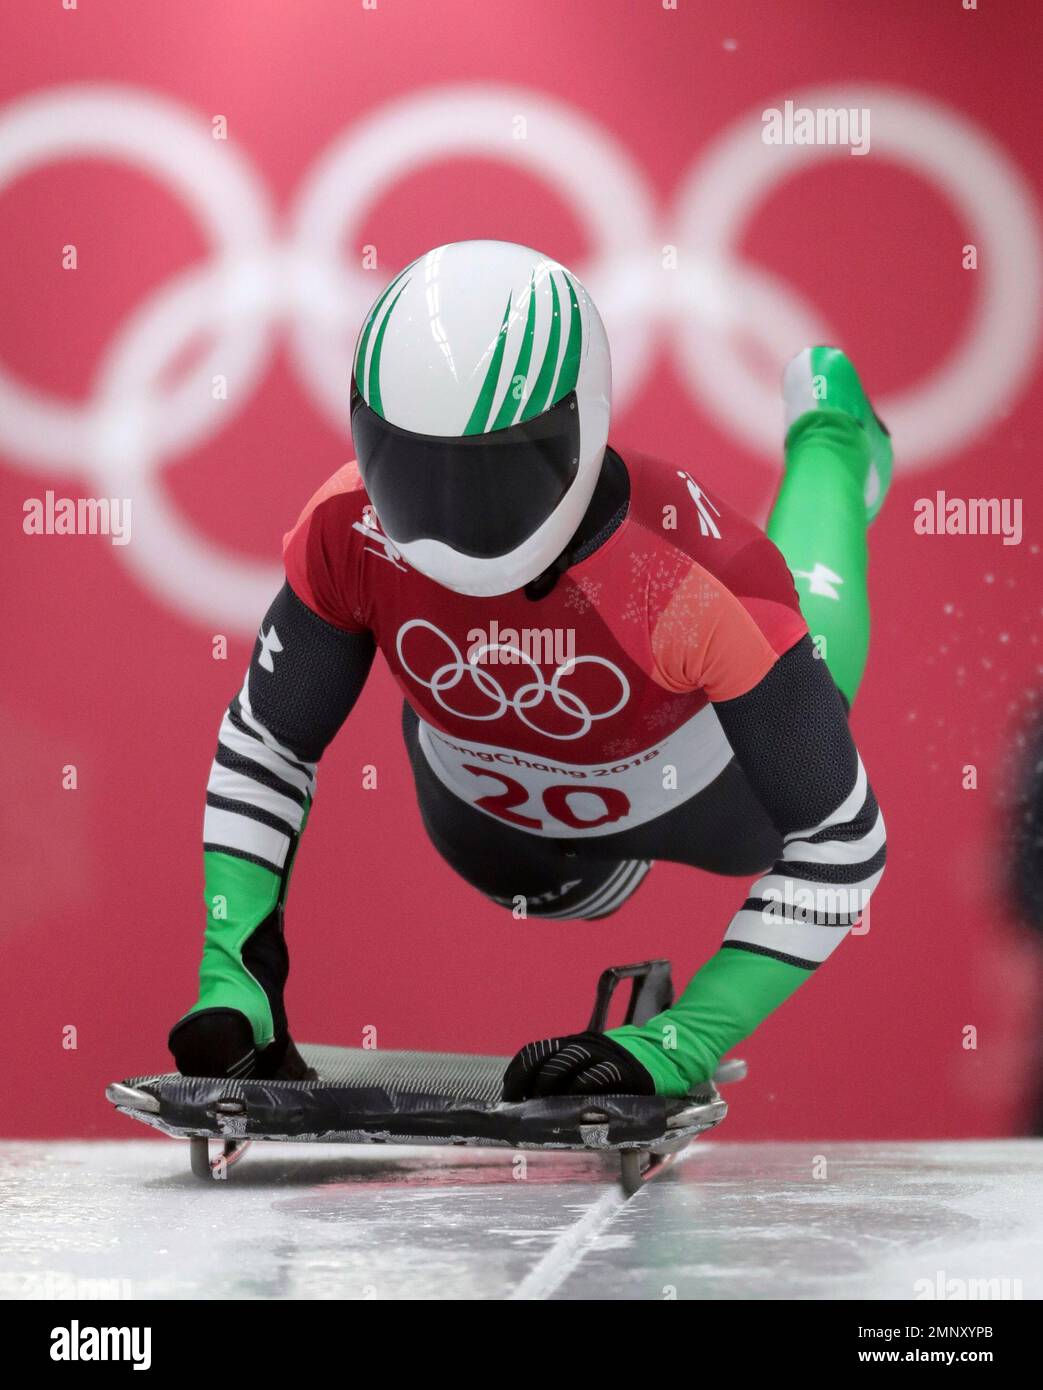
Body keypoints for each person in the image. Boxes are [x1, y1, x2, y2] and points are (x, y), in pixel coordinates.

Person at [169, 239, 889, 1099]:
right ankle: (603, 871)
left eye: (491, 472)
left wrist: (680, 1040)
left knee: (800, 600)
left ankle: (832, 436)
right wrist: (232, 978)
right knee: (578, 898)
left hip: (724, 807)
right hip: (505, 841)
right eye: (409, 465)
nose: (446, 518)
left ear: (585, 425)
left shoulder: (694, 577)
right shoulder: (345, 529)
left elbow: (844, 844)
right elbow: (268, 743)